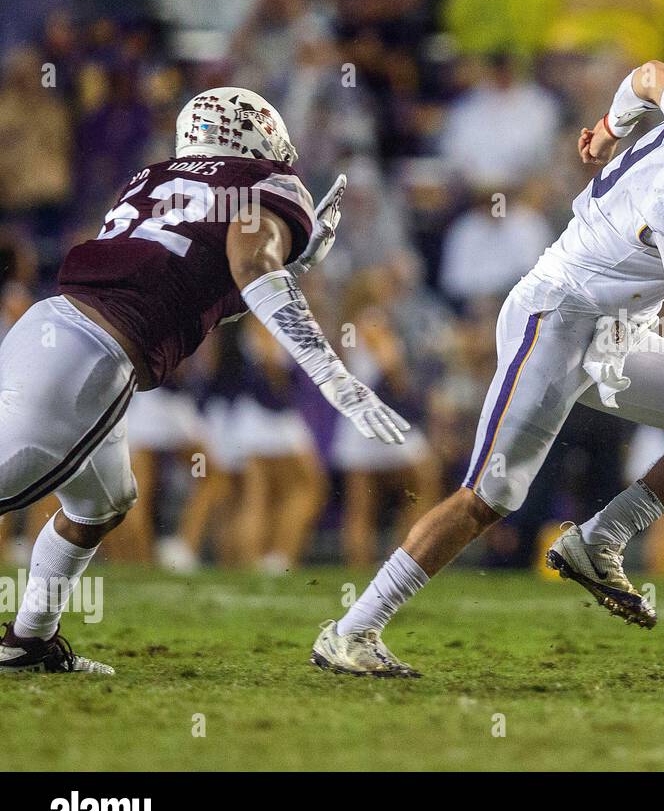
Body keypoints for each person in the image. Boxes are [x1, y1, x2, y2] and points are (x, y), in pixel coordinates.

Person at [313, 55, 664, 677]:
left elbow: (651, 74)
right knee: (487, 497)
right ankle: (353, 631)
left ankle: (600, 538)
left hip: (612, 329)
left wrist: (609, 125)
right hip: (553, 321)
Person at [0, 87, 408, 674]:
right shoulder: (270, 184)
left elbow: (201, 286)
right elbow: (251, 268)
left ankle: (28, 640)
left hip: (51, 327)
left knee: (102, 502)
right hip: (92, 356)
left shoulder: (151, 177)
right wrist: (328, 369)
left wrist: (290, 263)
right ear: (260, 132)